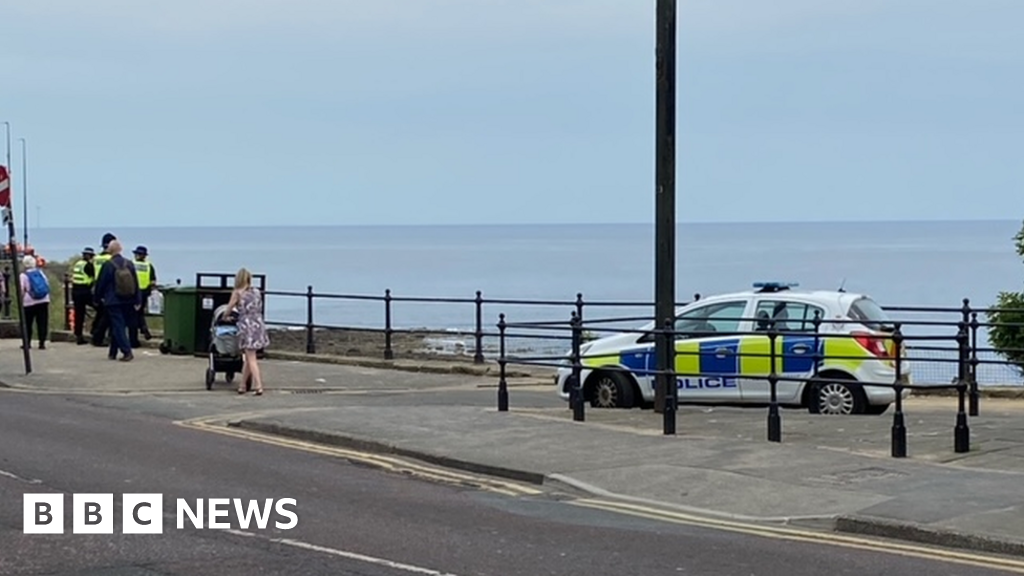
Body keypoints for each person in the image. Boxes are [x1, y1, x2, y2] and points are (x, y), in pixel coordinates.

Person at [93, 240, 141, 362]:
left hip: (113, 300)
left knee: (118, 326)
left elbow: (101, 284)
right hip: (128, 299)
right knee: (118, 325)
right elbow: (136, 282)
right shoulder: (129, 263)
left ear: (109, 250)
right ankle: (113, 352)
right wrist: (138, 299)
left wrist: (97, 299)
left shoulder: (108, 265)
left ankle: (127, 351)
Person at [224, 267, 268, 395]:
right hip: (258, 323)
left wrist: (225, 316)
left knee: (251, 358)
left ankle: (259, 385)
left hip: (246, 326)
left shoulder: (238, 292)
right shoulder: (256, 291)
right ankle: (242, 385)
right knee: (249, 357)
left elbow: (229, 307)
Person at [91, 232, 117, 347]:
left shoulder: (96, 258)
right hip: (109, 289)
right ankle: (100, 337)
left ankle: (96, 333)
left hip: (98, 287)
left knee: (102, 314)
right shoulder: (110, 259)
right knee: (107, 316)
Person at [19, 255, 50, 350]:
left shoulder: (23, 276)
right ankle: (42, 342)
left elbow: (21, 289)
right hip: (43, 300)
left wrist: (21, 299)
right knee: (42, 322)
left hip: (29, 302)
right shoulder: (40, 273)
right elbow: (47, 284)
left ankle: (27, 343)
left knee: (28, 323)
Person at [129, 245, 156, 347]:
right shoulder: (149, 266)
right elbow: (153, 281)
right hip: (144, 292)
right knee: (139, 313)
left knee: (133, 316)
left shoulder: (131, 264)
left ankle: (134, 339)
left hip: (132, 292)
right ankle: (144, 329)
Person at [71, 247, 97, 345]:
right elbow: (93, 277)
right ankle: (95, 329)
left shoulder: (78, 264)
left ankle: (78, 336)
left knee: (79, 314)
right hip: (85, 291)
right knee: (100, 307)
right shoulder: (88, 265)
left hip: (75, 291)